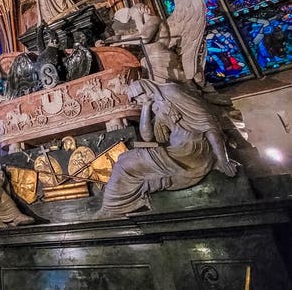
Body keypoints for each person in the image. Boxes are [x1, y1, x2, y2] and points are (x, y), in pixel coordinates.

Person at [99, 80, 238, 217]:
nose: (137, 102)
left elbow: (209, 124)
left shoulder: (173, 92)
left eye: (137, 98)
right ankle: (113, 207)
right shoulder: (157, 104)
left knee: (125, 165)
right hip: (177, 150)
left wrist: (222, 159)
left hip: (192, 151)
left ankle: (111, 208)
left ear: (144, 89)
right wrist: (146, 106)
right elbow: (147, 136)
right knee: (123, 158)